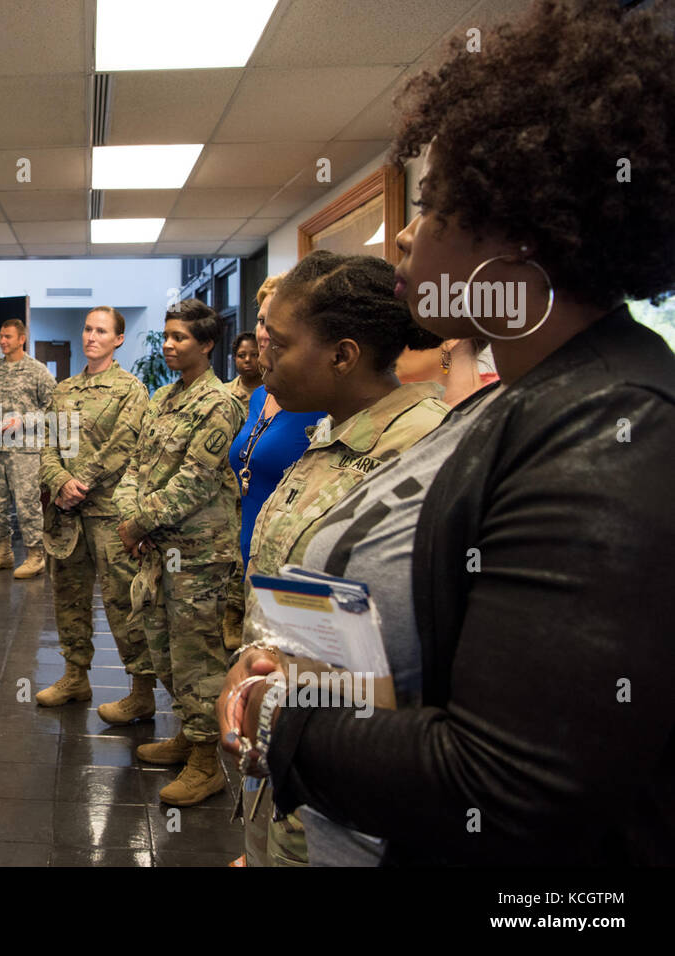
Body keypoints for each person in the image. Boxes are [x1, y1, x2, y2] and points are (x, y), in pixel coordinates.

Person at [221, 0, 675, 866]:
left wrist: (279, 724)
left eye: (428, 206)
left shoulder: (611, 433)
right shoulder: (516, 403)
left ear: (517, 239)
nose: (402, 231)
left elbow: (504, 785)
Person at [234, 250, 450, 866]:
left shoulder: (422, 451)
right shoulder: (328, 433)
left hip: (349, 773)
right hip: (286, 751)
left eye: (279, 342)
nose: (262, 355)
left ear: (342, 355)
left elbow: (413, 651)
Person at [113, 300, 243, 806]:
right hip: (155, 547)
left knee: (199, 658)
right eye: (166, 336)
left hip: (198, 555)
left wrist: (138, 521)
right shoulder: (162, 398)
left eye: (180, 338)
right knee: (163, 648)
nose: (168, 344)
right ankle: (190, 733)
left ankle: (207, 762)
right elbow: (134, 467)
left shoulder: (219, 403)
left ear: (207, 345)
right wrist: (131, 518)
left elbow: (195, 480)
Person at [221, 275, 324, 863]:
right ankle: (259, 841)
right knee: (258, 706)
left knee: (296, 711)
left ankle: (284, 844)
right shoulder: (263, 394)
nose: (262, 335)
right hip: (255, 562)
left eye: (275, 325)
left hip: (298, 586)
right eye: (260, 321)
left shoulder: (320, 405)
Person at [35, 307, 154, 718]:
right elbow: (46, 444)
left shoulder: (131, 390)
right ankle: (75, 676)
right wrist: (57, 481)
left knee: (123, 601)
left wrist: (77, 482)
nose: (91, 336)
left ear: (118, 339)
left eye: (101, 330)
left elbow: (122, 447)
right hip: (67, 517)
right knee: (68, 596)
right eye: (87, 329)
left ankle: (141, 689)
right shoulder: (63, 390)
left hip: (109, 514)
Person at [0, 318, 56, 579]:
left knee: (27, 504)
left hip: (26, 451)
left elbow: (53, 409)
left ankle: (35, 556)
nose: (3, 341)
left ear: (22, 339)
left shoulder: (38, 371)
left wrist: (22, 421)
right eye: (1, 336)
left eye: (8, 336)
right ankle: (3, 552)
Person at [227, 332, 263, 419]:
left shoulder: (274, 392)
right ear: (235, 358)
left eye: (254, 355)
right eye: (242, 355)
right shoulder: (225, 393)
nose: (247, 360)